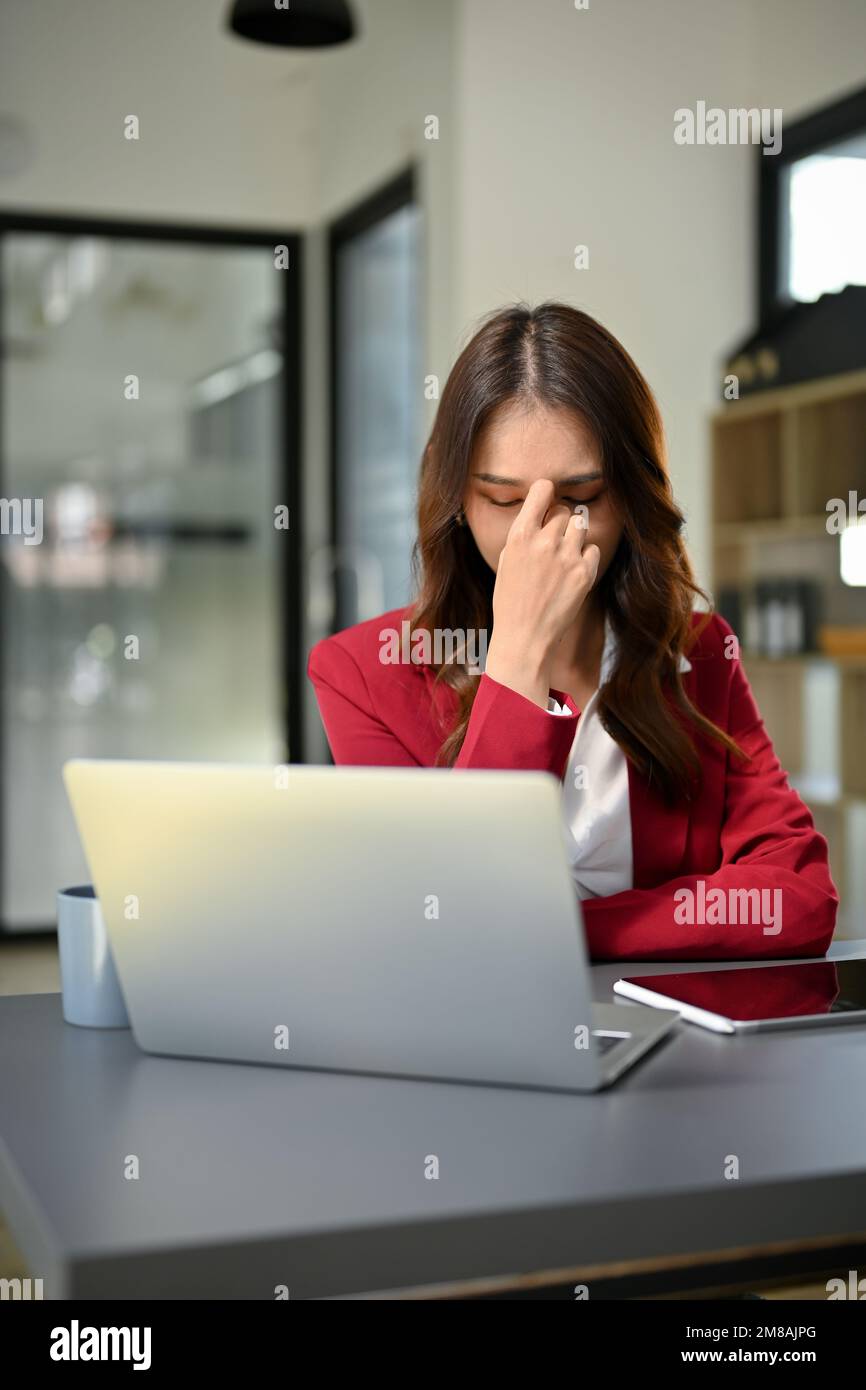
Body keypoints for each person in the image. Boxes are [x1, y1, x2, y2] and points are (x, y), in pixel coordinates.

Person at [307, 301, 837, 961]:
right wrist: (518, 658)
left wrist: (566, 932)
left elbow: (798, 899)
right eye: (503, 499)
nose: (545, 532)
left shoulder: (699, 650)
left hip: (670, 1041)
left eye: (581, 496)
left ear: (633, 496)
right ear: (456, 501)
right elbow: (442, 925)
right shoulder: (362, 671)